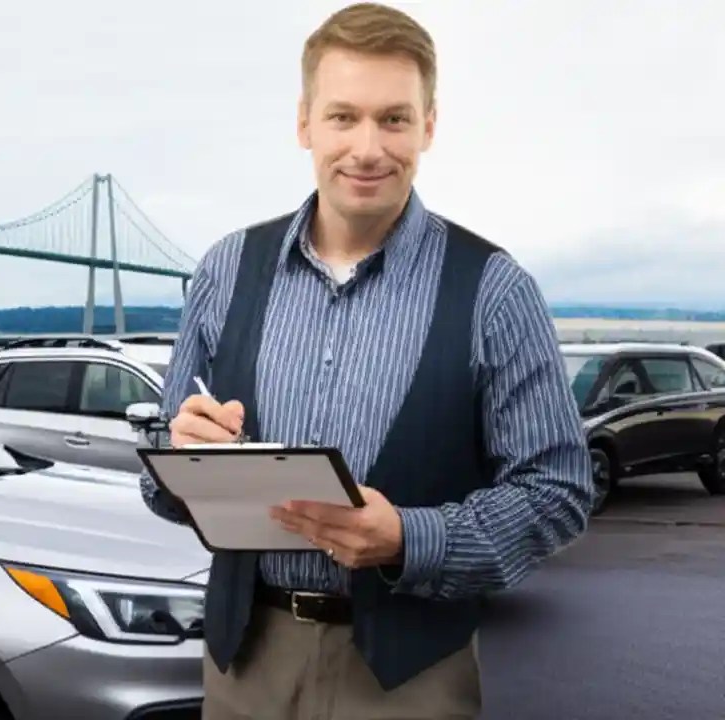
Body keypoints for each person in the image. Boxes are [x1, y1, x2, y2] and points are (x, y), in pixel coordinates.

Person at [138, 3, 594, 718]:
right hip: (245, 661)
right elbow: (164, 483)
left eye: (394, 119)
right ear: (304, 124)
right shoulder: (226, 269)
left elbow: (559, 489)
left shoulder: (495, 290)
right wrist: (180, 452)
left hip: (411, 677)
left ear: (429, 127)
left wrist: (412, 539)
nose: (368, 148)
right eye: (343, 117)